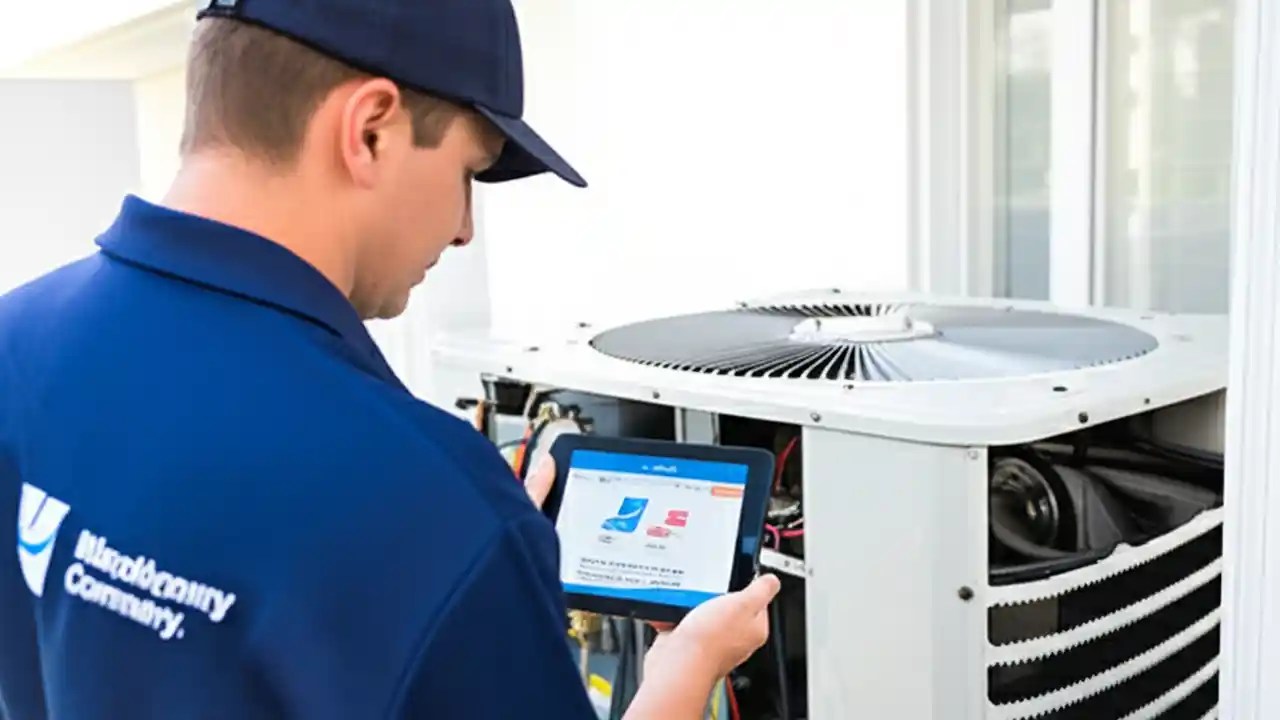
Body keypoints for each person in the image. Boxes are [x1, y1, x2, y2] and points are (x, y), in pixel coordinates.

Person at [0, 0, 781, 718]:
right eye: (468, 173)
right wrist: (683, 673)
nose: (465, 228)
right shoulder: (432, 509)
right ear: (369, 128)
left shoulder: (15, 340)